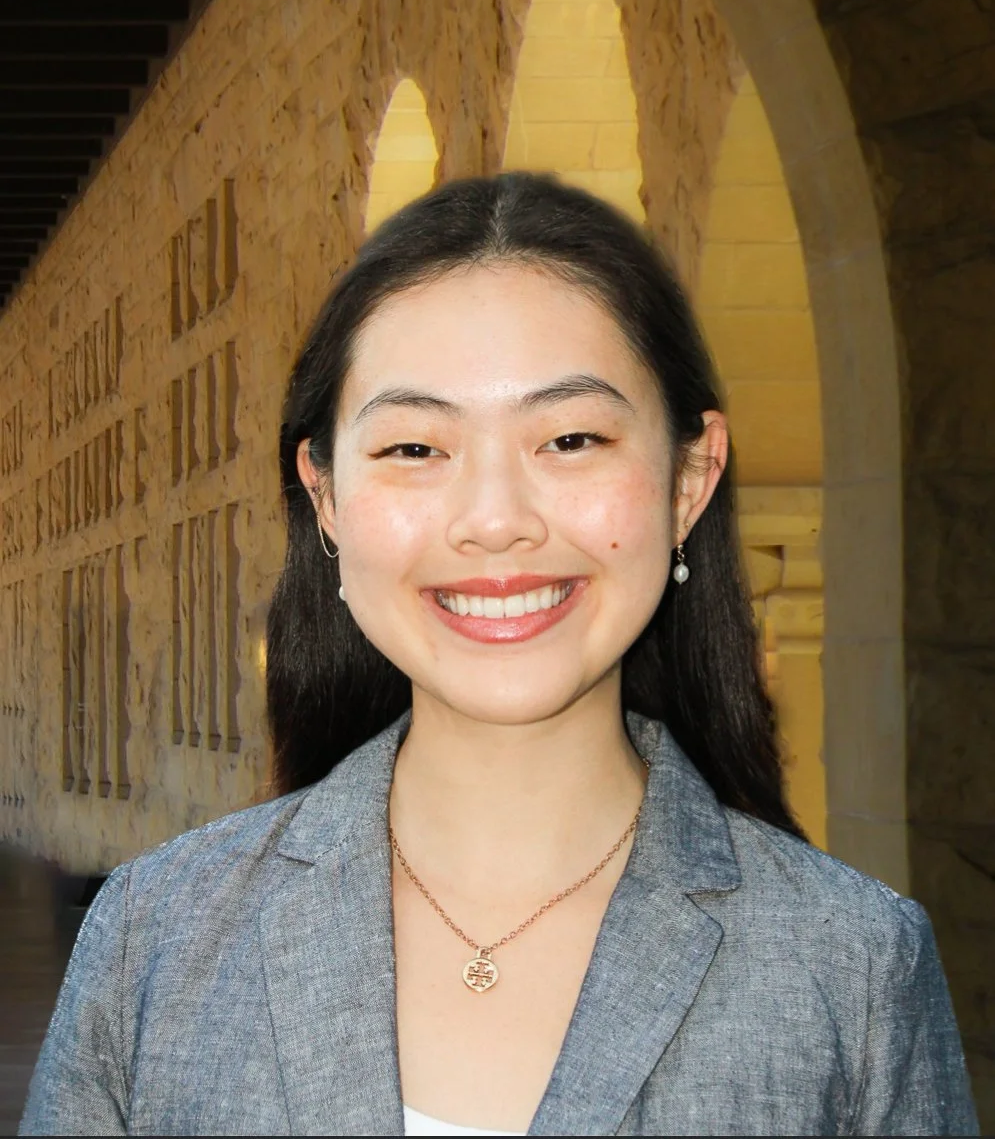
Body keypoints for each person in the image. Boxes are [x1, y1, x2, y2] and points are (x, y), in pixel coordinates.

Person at [20, 173, 978, 1137]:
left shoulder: (851, 967)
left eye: (569, 437)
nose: (493, 522)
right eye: (413, 449)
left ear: (689, 479)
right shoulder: (159, 938)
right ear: (325, 499)